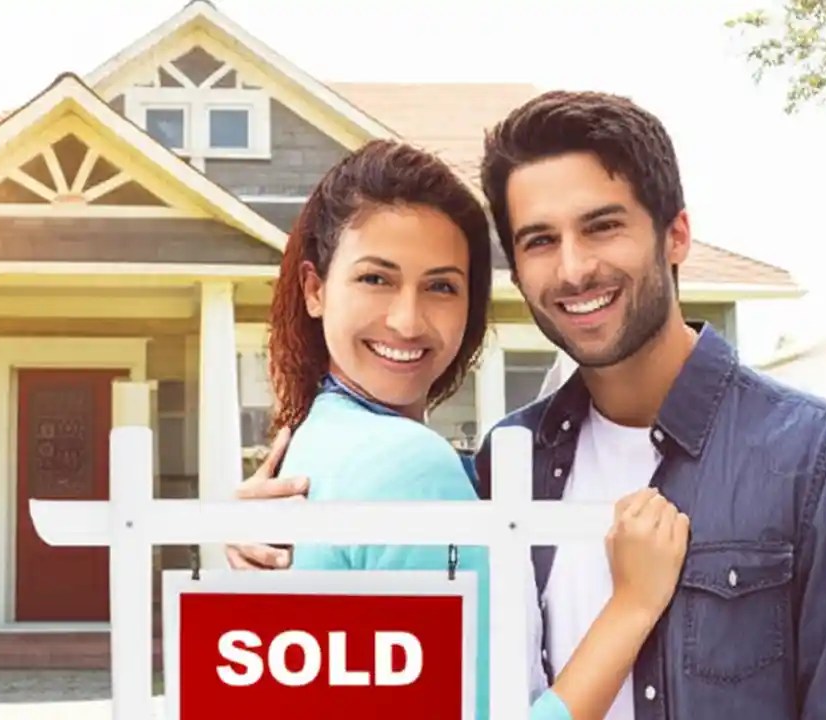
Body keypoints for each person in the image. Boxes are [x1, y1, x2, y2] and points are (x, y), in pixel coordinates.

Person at [233, 91, 826, 719]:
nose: (574, 269)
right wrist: (232, 545)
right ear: (517, 271)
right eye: (540, 240)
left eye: (602, 226)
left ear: (676, 235)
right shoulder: (504, 464)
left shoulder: (810, 458)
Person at [243, 138, 690, 720]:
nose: (407, 321)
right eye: (376, 279)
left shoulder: (314, 444)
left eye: (441, 286)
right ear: (314, 289)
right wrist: (632, 605)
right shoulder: (407, 465)